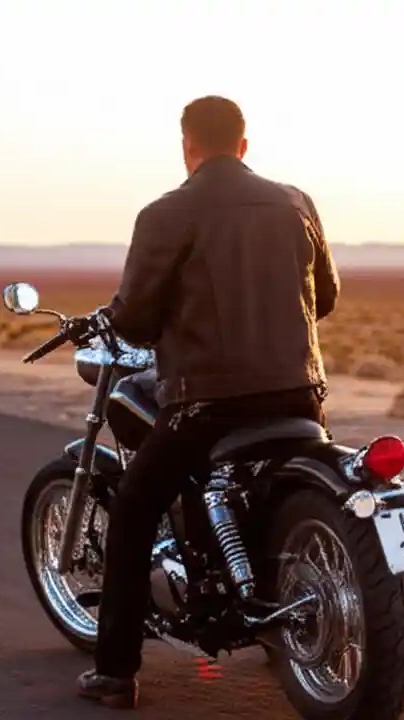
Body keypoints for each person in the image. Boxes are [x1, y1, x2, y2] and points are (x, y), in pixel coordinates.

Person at [76, 95, 341, 709]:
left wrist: (122, 320)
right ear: (244, 145)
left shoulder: (168, 212)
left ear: (187, 146)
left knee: (136, 503)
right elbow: (323, 298)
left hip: (209, 402)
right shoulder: (295, 202)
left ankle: (115, 671)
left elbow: (137, 318)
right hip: (301, 394)